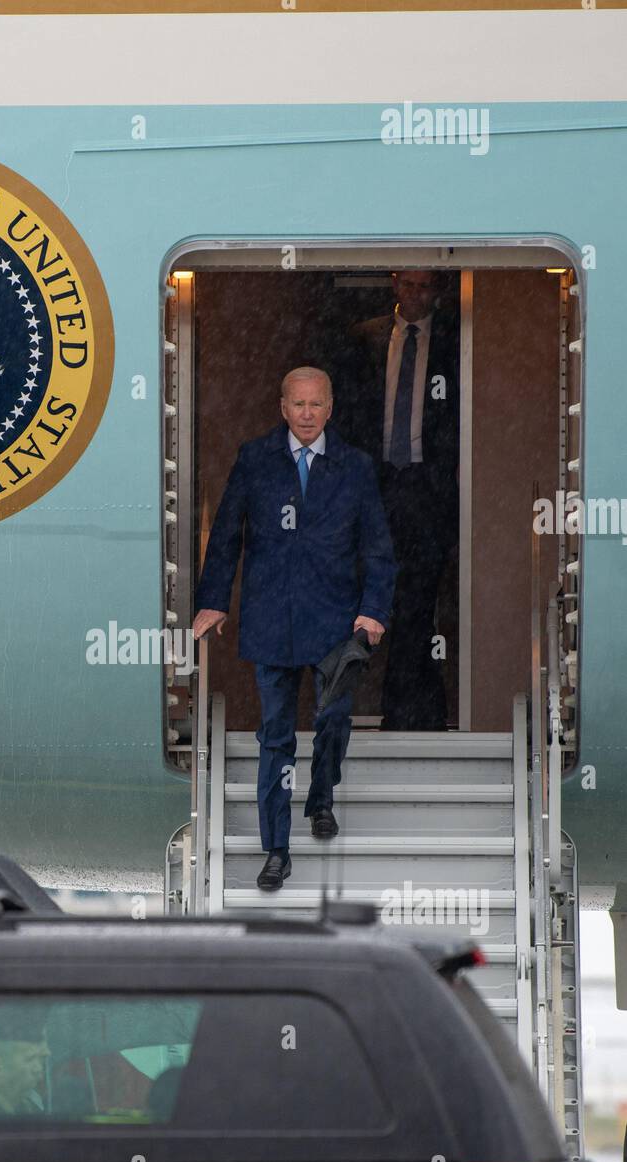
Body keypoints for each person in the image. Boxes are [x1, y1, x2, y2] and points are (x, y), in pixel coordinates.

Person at [193, 367, 396, 892]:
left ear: (331, 408)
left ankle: (322, 796)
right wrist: (214, 601)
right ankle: (276, 850)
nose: (307, 414)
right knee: (276, 739)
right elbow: (225, 536)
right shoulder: (255, 459)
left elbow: (378, 547)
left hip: (334, 620)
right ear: (282, 408)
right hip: (271, 620)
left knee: (333, 721)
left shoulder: (354, 467)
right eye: (297, 404)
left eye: (316, 404)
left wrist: (374, 610)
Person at [341, 270, 459, 731]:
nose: (415, 294)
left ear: (437, 290)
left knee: (416, 603)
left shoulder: (453, 340)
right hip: (374, 484)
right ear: (394, 284)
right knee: (359, 598)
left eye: (425, 286)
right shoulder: (363, 339)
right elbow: (348, 411)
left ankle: (408, 713)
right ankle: (341, 709)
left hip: (425, 489)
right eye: (408, 284)